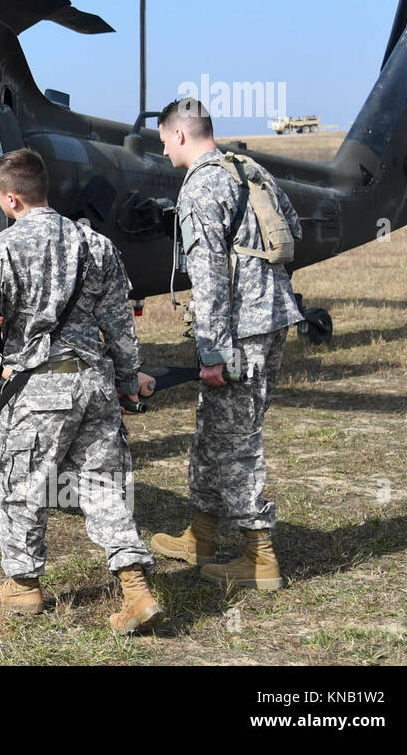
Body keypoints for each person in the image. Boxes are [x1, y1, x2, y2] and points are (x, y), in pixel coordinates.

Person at [0, 148, 162, 634]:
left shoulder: (4, 248)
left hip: (40, 388)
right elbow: (120, 326)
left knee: (21, 483)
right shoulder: (96, 244)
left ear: (12, 199)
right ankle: (135, 588)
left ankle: (23, 586)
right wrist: (128, 380)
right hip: (94, 383)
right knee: (104, 484)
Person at [150, 97, 302, 590]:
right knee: (215, 430)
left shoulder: (201, 186)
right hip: (272, 317)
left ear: (179, 134)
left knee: (236, 439)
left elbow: (210, 277)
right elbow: (293, 229)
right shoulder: (248, 169)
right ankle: (201, 535)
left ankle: (260, 557)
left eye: (164, 141)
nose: (164, 152)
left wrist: (213, 353)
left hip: (239, 331)